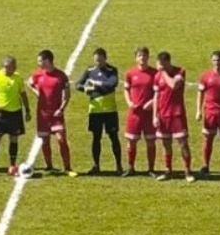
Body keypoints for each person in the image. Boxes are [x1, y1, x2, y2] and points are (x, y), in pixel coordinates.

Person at [75, 47, 123, 175]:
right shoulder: (90, 71)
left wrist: (96, 84)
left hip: (110, 110)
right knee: (96, 138)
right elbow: (78, 85)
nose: (98, 63)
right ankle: (96, 165)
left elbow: (112, 84)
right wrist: (85, 89)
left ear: (105, 59)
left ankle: (119, 165)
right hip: (95, 110)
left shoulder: (112, 70)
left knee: (113, 137)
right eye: (96, 60)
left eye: (100, 60)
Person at [29, 49, 76, 176]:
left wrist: (61, 109)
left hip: (56, 115)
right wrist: (37, 92)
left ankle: (67, 167)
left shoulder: (61, 76)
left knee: (61, 139)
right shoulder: (37, 75)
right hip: (42, 115)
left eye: (40, 61)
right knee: (45, 141)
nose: (38, 63)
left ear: (47, 61)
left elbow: (67, 95)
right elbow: (30, 83)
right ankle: (49, 166)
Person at [0, 55, 30, 178]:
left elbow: (23, 94)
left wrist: (27, 110)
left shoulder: (18, 78)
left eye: (14, 66)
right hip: (2, 113)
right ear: (5, 66)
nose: (14, 69)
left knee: (14, 139)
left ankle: (12, 166)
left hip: (16, 113)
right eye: (11, 67)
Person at [152, 51, 195, 182]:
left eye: (162, 64)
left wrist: (164, 72)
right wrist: (154, 115)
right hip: (163, 115)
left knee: (183, 143)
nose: (160, 67)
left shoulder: (180, 72)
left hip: (177, 114)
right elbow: (156, 96)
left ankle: (187, 171)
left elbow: (173, 85)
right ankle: (168, 171)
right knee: (166, 144)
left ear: (168, 62)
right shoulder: (157, 76)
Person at [123, 46, 158, 177]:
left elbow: (159, 92)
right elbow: (126, 90)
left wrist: (152, 102)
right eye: (139, 55)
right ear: (136, 58)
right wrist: (129, 102)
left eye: (144, 55)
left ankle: (151, 169)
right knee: (131, 142)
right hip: (135, 114)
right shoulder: (130, 73)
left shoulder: (155, 73)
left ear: (148, 57)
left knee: (150, 141)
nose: (142, 58)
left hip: (149, 114)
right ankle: (131, 168)